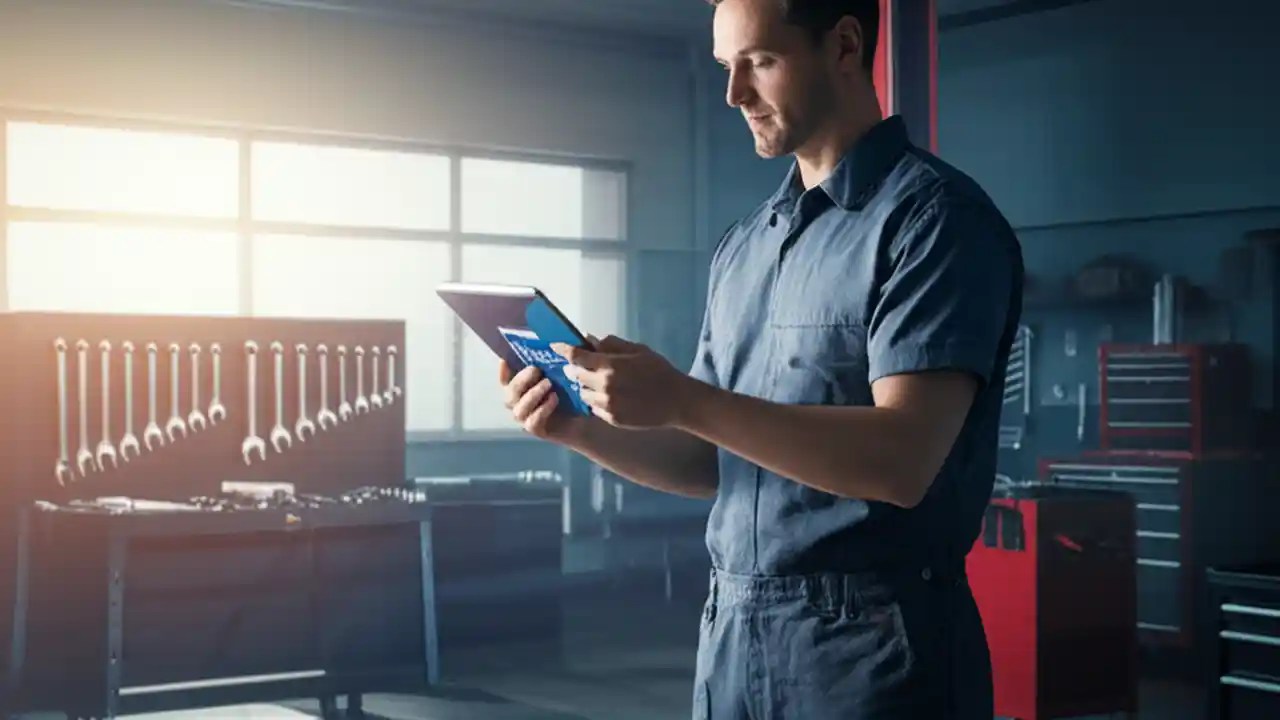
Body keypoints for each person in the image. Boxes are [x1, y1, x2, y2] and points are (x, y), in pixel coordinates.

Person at [499, 0, 1024, 716]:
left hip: (873, 648)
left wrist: (682, 397)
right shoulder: (746, 246)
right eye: (726, 66)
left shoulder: (934, 222)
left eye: (760, 62)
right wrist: (576, 426)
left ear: (844, 46)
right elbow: (709, 461)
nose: (734, 94)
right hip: (734, 636)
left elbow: (903, 460)